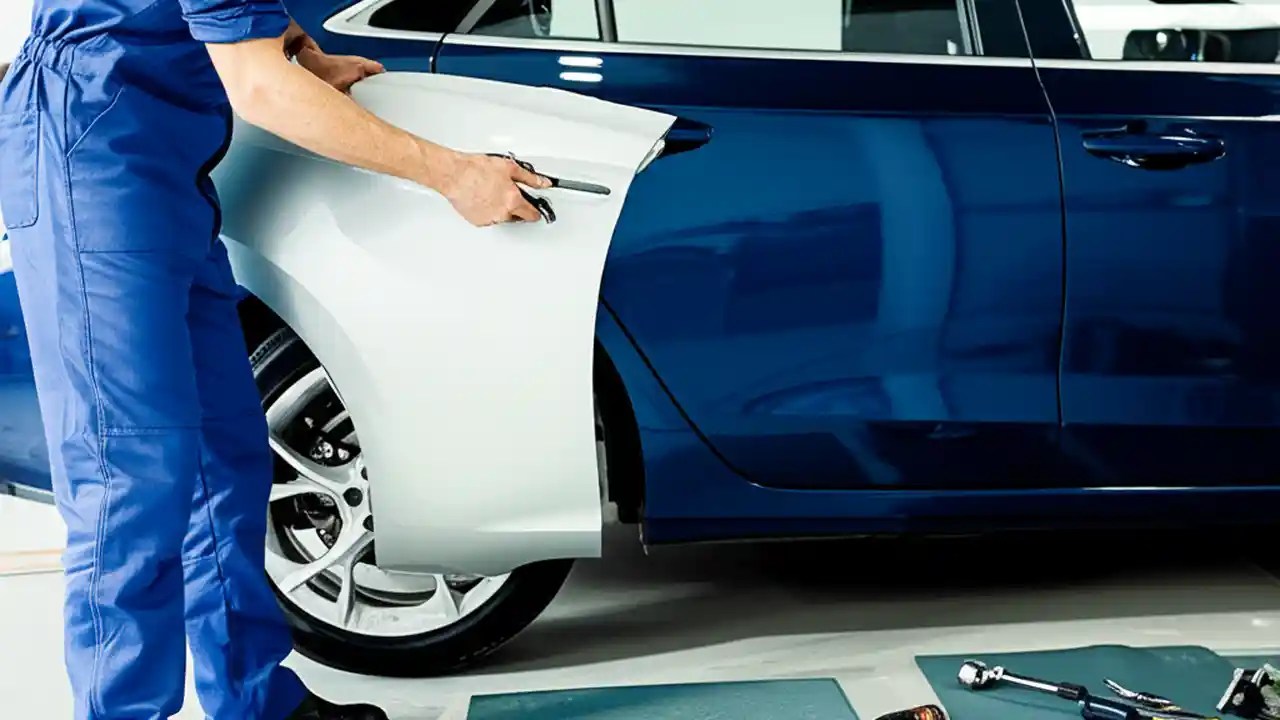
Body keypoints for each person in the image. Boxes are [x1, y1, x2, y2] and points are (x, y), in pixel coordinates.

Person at [0, 1, 551, 718]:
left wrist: (301, 48)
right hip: (93, 156)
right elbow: (258, 87)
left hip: (161, 160)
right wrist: (450, 173)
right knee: (128, 477)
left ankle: (255, 701)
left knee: (224, 457)